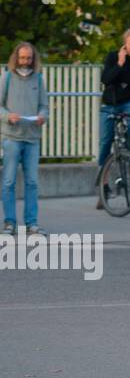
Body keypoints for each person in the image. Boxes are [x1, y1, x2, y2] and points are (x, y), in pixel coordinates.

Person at [2, 42, 49, 236]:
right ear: (16, 58)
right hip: (12, 137)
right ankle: (9, 223)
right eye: (22, 58)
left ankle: (32, 224)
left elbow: (44, 106)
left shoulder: (38, 79)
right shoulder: (7, 77)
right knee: (8, 182)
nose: (25, 61)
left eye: (29, 58)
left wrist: (42, 116)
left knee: (32, 182)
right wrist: (7, 116)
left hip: (32, 137)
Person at [98, 29, 130, 208]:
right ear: (125, 44)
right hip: (109, 104)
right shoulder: (113, 57)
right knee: (105, 142)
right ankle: (103, 186)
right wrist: (119, 63)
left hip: (128, 103)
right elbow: (106, 79)